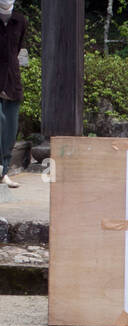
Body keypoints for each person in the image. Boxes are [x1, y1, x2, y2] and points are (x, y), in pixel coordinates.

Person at [0, 1, 28, 188]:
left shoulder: (20, 20)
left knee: (10, 129)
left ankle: (4, 172)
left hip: (12, 80)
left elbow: (17, 49)